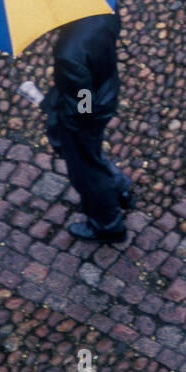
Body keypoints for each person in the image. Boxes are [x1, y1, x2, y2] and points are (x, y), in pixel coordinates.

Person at [37, 12, 134, 242]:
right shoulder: (103, 9)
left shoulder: (69, 54)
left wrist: (74, 125)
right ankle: (120, 189)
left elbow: (83, 101)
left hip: (87, 113)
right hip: (106, 90)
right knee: (92, 155)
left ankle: (108, 225)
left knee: (86, 171)